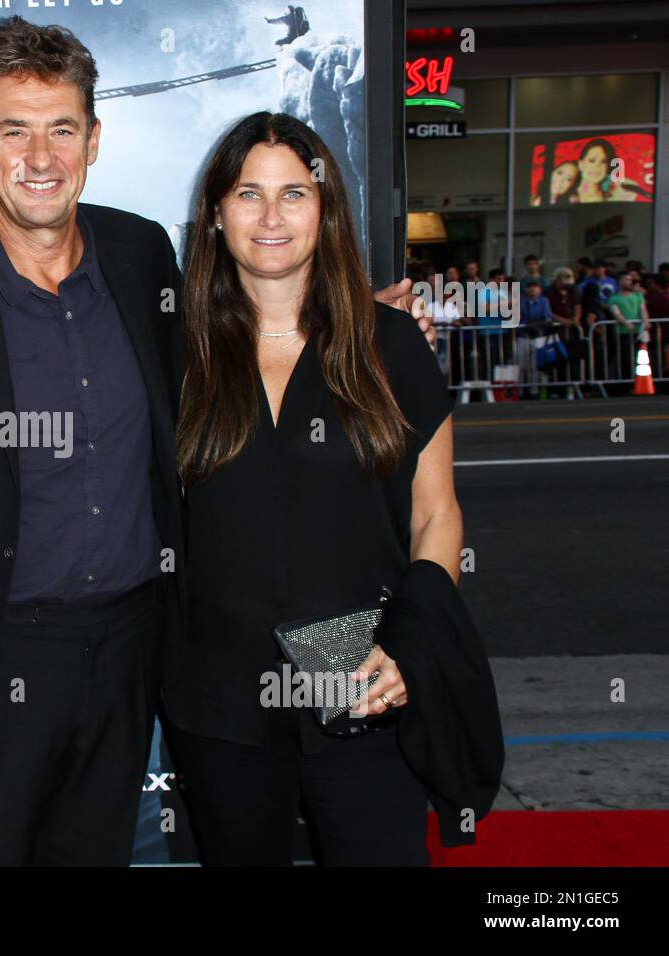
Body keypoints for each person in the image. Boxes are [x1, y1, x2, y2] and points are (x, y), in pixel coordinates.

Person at [0, 16, 431, 867]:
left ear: (94, 141)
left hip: (128, 656)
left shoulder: (140, 255)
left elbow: (240, 331)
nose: (41, 156)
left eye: (62, 129)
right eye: (15, 130)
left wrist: (363, 321)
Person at [162, 111, 500, 866]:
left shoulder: (391, 346)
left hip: (366, 684)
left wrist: (410, 645)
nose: (272, 216)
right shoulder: (174, 350)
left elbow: (437, 514)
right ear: (216, 215)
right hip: (219, 701)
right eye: (248, 194)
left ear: (327, 210)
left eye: (295, 193)